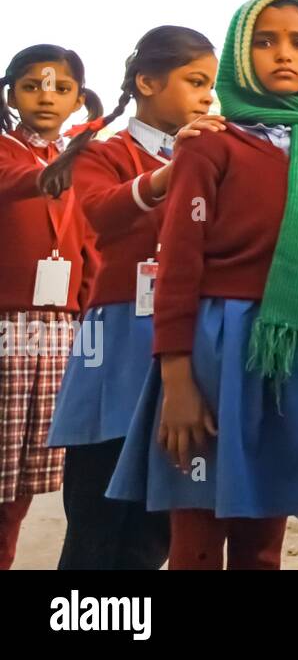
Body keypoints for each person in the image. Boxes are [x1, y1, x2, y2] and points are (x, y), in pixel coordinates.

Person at [109, 0, 298, 570]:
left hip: (290, 357)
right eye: (265, 40)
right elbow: (178, 266)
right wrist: (178, 380)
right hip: (217, 350)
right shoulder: (210, 143)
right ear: (239, 54)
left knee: (263, 544)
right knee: (198, 538)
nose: (283, 54)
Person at [43, 26, 222, 569]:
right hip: (118, 344)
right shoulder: (105, 155)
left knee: (156, 523)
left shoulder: (215, 155)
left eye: (211, 86)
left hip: (182, 341)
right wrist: (171, 175)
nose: (206, 97)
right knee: (98, 518)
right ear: (146, 81)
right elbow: (104, 211)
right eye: (195, 81)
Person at [0, 45, 98, 569]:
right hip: (6, 323)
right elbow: (15, 183)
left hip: (61, 327)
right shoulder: (10, 153)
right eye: (34, 85)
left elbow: (90, 247)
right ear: (10, 93)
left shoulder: (77, 161)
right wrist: (62, 166)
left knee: (25, 480)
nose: (47, 97)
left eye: (62, 88)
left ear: (78, 99)